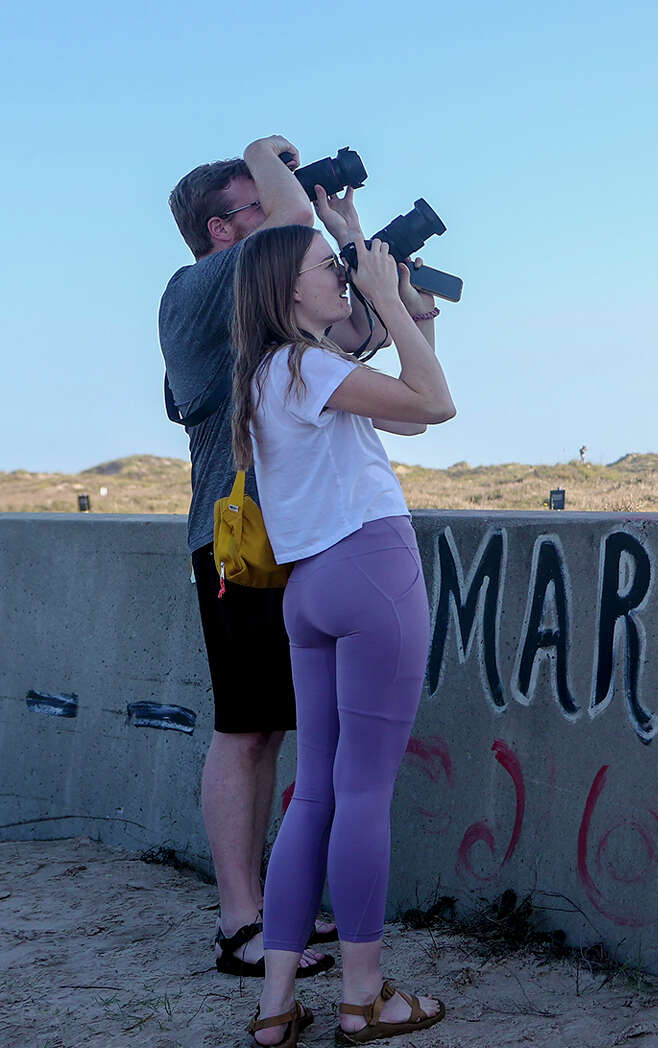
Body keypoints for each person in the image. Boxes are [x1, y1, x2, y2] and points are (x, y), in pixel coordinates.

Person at [159, 136, 392, 979]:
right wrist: (268, 152)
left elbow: (355, 341)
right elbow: (290, 223)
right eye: (260, 198)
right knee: (245, 728)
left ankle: (272, 908)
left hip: (295, 533)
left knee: (283, 730)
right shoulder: (192, 290)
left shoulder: (258, 309)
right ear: (224, 230)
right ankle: (238, 920)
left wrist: (363, 249)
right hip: (235, 543)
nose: (283, 211)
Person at [229, 224, 453, 1048]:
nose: (344, 276)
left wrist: (409, 313)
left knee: (315, 793)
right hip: (370, 571)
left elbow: (407, 420)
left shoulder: (267, 375)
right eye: (330, 268)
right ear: (289, 290)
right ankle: (363, 997)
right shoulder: (310, 365)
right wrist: (390, 300)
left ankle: (277, 1002)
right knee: (362, 794)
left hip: (309, 590)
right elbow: (436, 404)